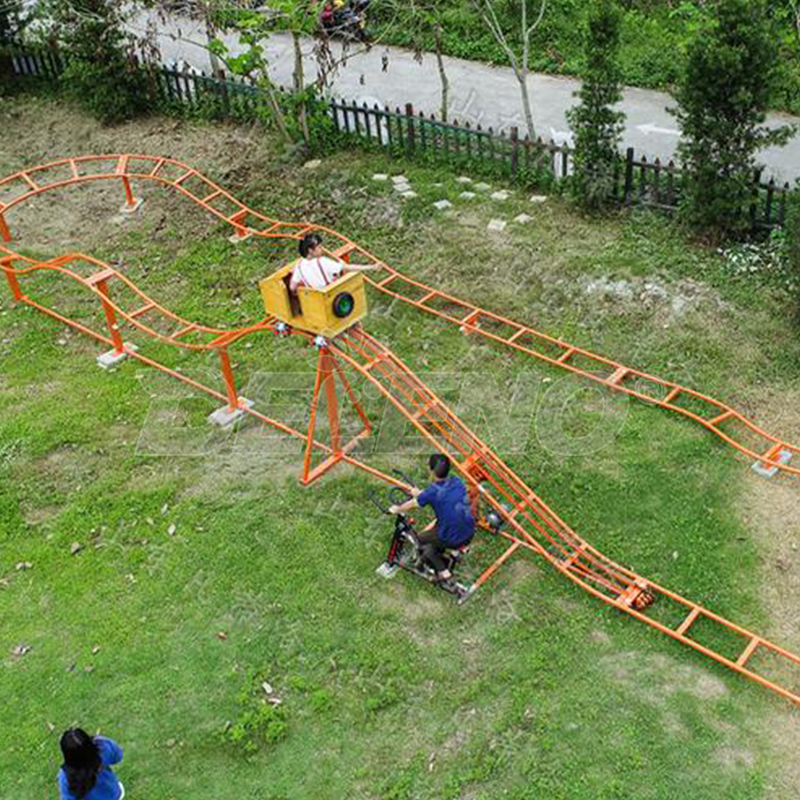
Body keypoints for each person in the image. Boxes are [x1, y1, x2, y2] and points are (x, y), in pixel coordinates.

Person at [389, 454, 476, 582]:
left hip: (452, 536)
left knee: (419, 540)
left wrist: (397, 509)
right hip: (470, 529)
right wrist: (421, 494)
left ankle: (443, 572)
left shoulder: (432, 492)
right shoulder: (457, 481)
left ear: (432, 472)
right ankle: (455, 553)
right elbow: (441, 496)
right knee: (438, 528)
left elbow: (414, 503)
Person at [289, 232, 377, 292]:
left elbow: (292, 287)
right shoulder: (323, 262)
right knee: (342, 268)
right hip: (333, 296)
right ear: (310, 250)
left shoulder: (298, 267)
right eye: (319, 247)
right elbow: (348, 267)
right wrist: (371, 267)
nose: (322, 249)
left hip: (317, 301)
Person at [58, 728, 124, 800]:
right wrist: (100, 740)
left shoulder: (65, 776)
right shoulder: (103, 749)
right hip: (113, 794)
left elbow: (68, 798)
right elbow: (118, 755)